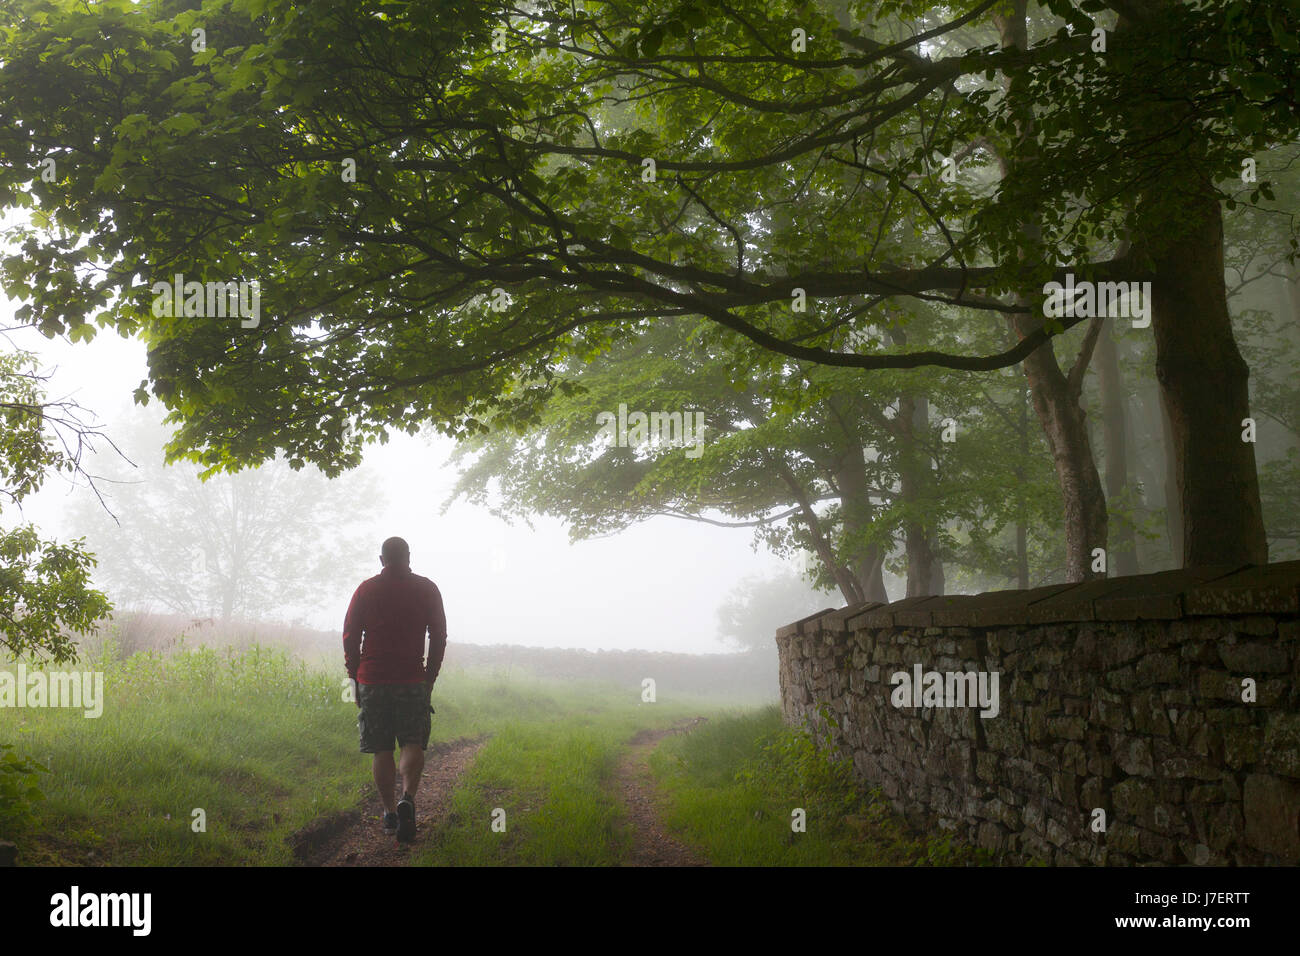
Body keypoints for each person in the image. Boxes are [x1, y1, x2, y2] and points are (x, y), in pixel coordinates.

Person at [342, 536, 447, 844]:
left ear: (381, 559)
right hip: (412, 680)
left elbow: (349, 637)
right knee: (413, 742)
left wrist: (354, 678)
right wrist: (429, 677)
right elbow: (439, 637)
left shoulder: (365, 590)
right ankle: (408, 800)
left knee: (382, 748)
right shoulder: (427, 589)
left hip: (372, 681)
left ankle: (389, 812)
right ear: (409, 557)